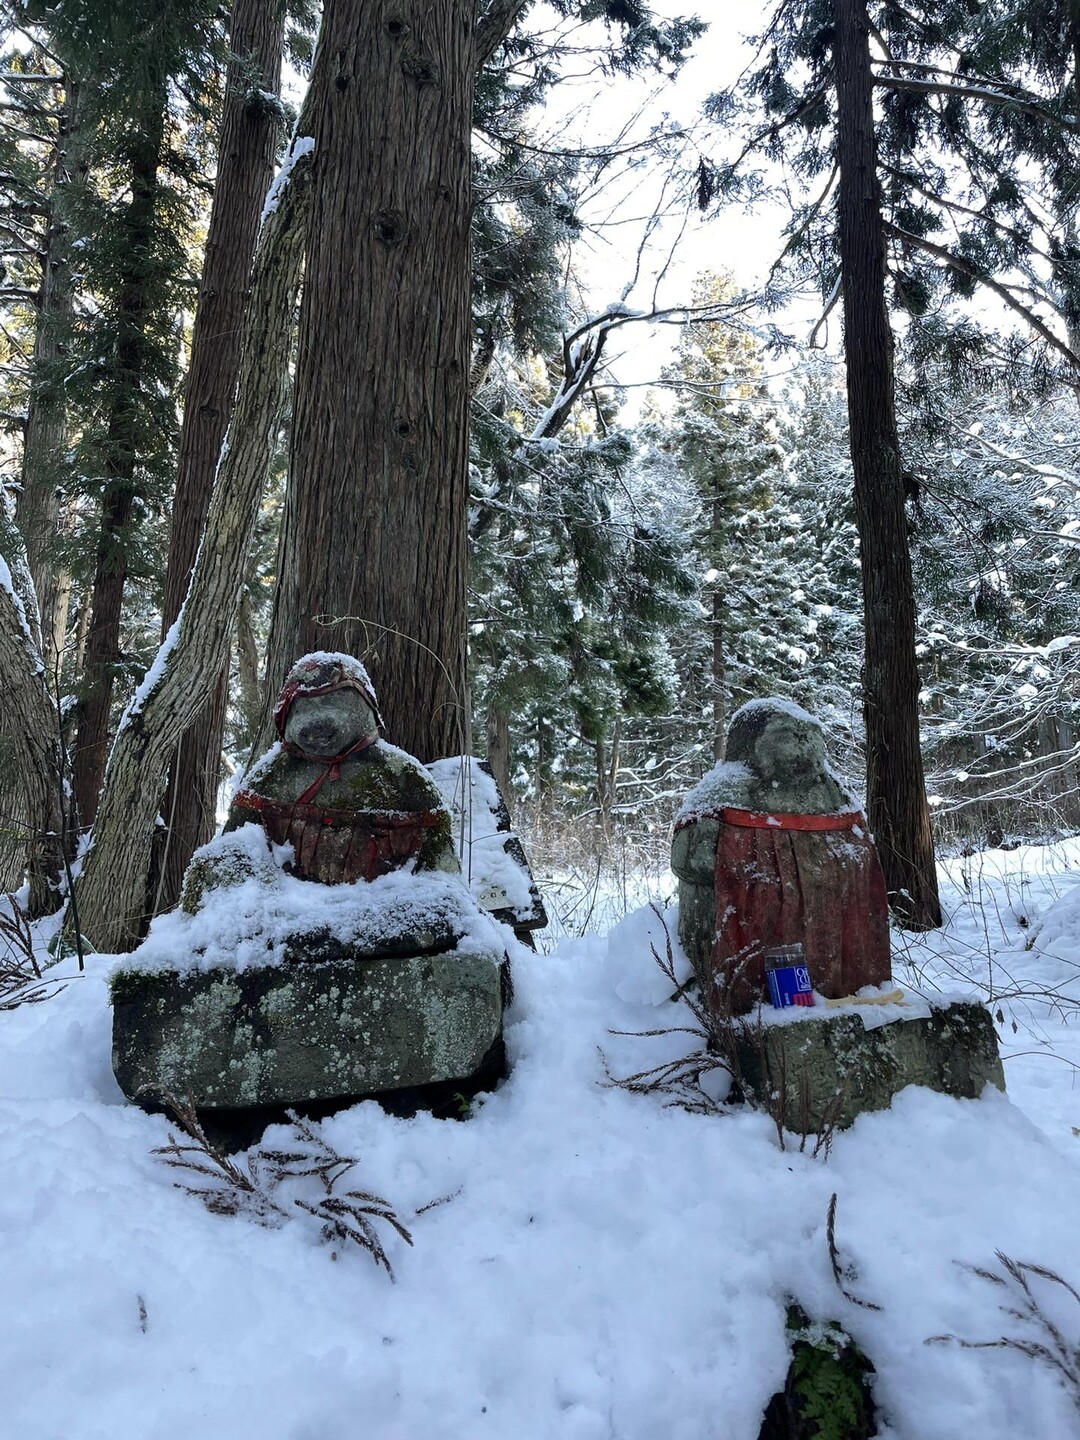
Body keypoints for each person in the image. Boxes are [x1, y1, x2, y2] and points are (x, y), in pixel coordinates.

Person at [671, 698, 892, 1017]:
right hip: (757, 922)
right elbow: (689, 857)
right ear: (752, 743)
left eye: (808, 734)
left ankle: (833, 990)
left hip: (823, 914)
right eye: (789, 733)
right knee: (768, 965)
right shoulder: (729, 787)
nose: (802, 742)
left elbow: (857, 842)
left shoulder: (832, 791)